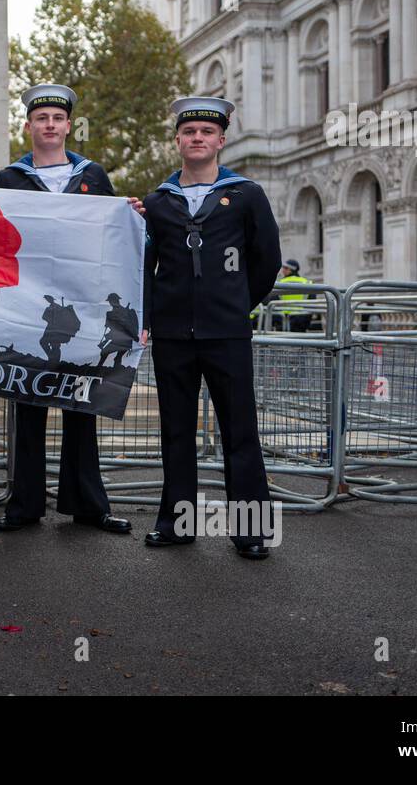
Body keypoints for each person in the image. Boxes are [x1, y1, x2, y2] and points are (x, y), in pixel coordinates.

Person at [140, 96, 282, 560]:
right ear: (178, 140)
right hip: (174, 336)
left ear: (221, 140)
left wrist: (237, 305)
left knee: (240, 432)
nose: (197, 138)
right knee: (176, 432)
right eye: (189, 132)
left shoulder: (246, 195)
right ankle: (177, 524)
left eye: (206, 132)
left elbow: (267, 261)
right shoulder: (158, 201)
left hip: (228, 334)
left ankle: (251, 530)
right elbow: (145, 266)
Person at [0, 84, 134, 534]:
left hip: (84, 308)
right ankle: (24, 505)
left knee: (81, 405)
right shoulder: (10, 179)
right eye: (41, 119)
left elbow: (113, 243)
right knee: (28, 404)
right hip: (29, 309)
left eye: (57, 119)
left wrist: (129, 214)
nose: (49, 126)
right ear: (29, 126)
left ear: (69, 126)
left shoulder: (94, 176)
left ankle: (88, 504)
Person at [267, 259, 312, 332]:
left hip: (283, 321)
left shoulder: (279, 283)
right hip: (302, 321)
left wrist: (276, 322)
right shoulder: (307, 283)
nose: (283, 270)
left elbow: (273, 303)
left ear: (291, 269)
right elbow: (312, 302)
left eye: (285, 268)